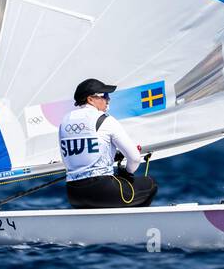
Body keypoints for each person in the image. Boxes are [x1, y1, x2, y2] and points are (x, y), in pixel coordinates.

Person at [59, 78, 158, 209]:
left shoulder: (64, 122)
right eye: (104, 96)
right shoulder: (106, 120)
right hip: (102, 190)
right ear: (90, 99)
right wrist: (127, 173)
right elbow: (134, 158)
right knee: (150, 184)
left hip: (74, 194)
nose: (108, 100)